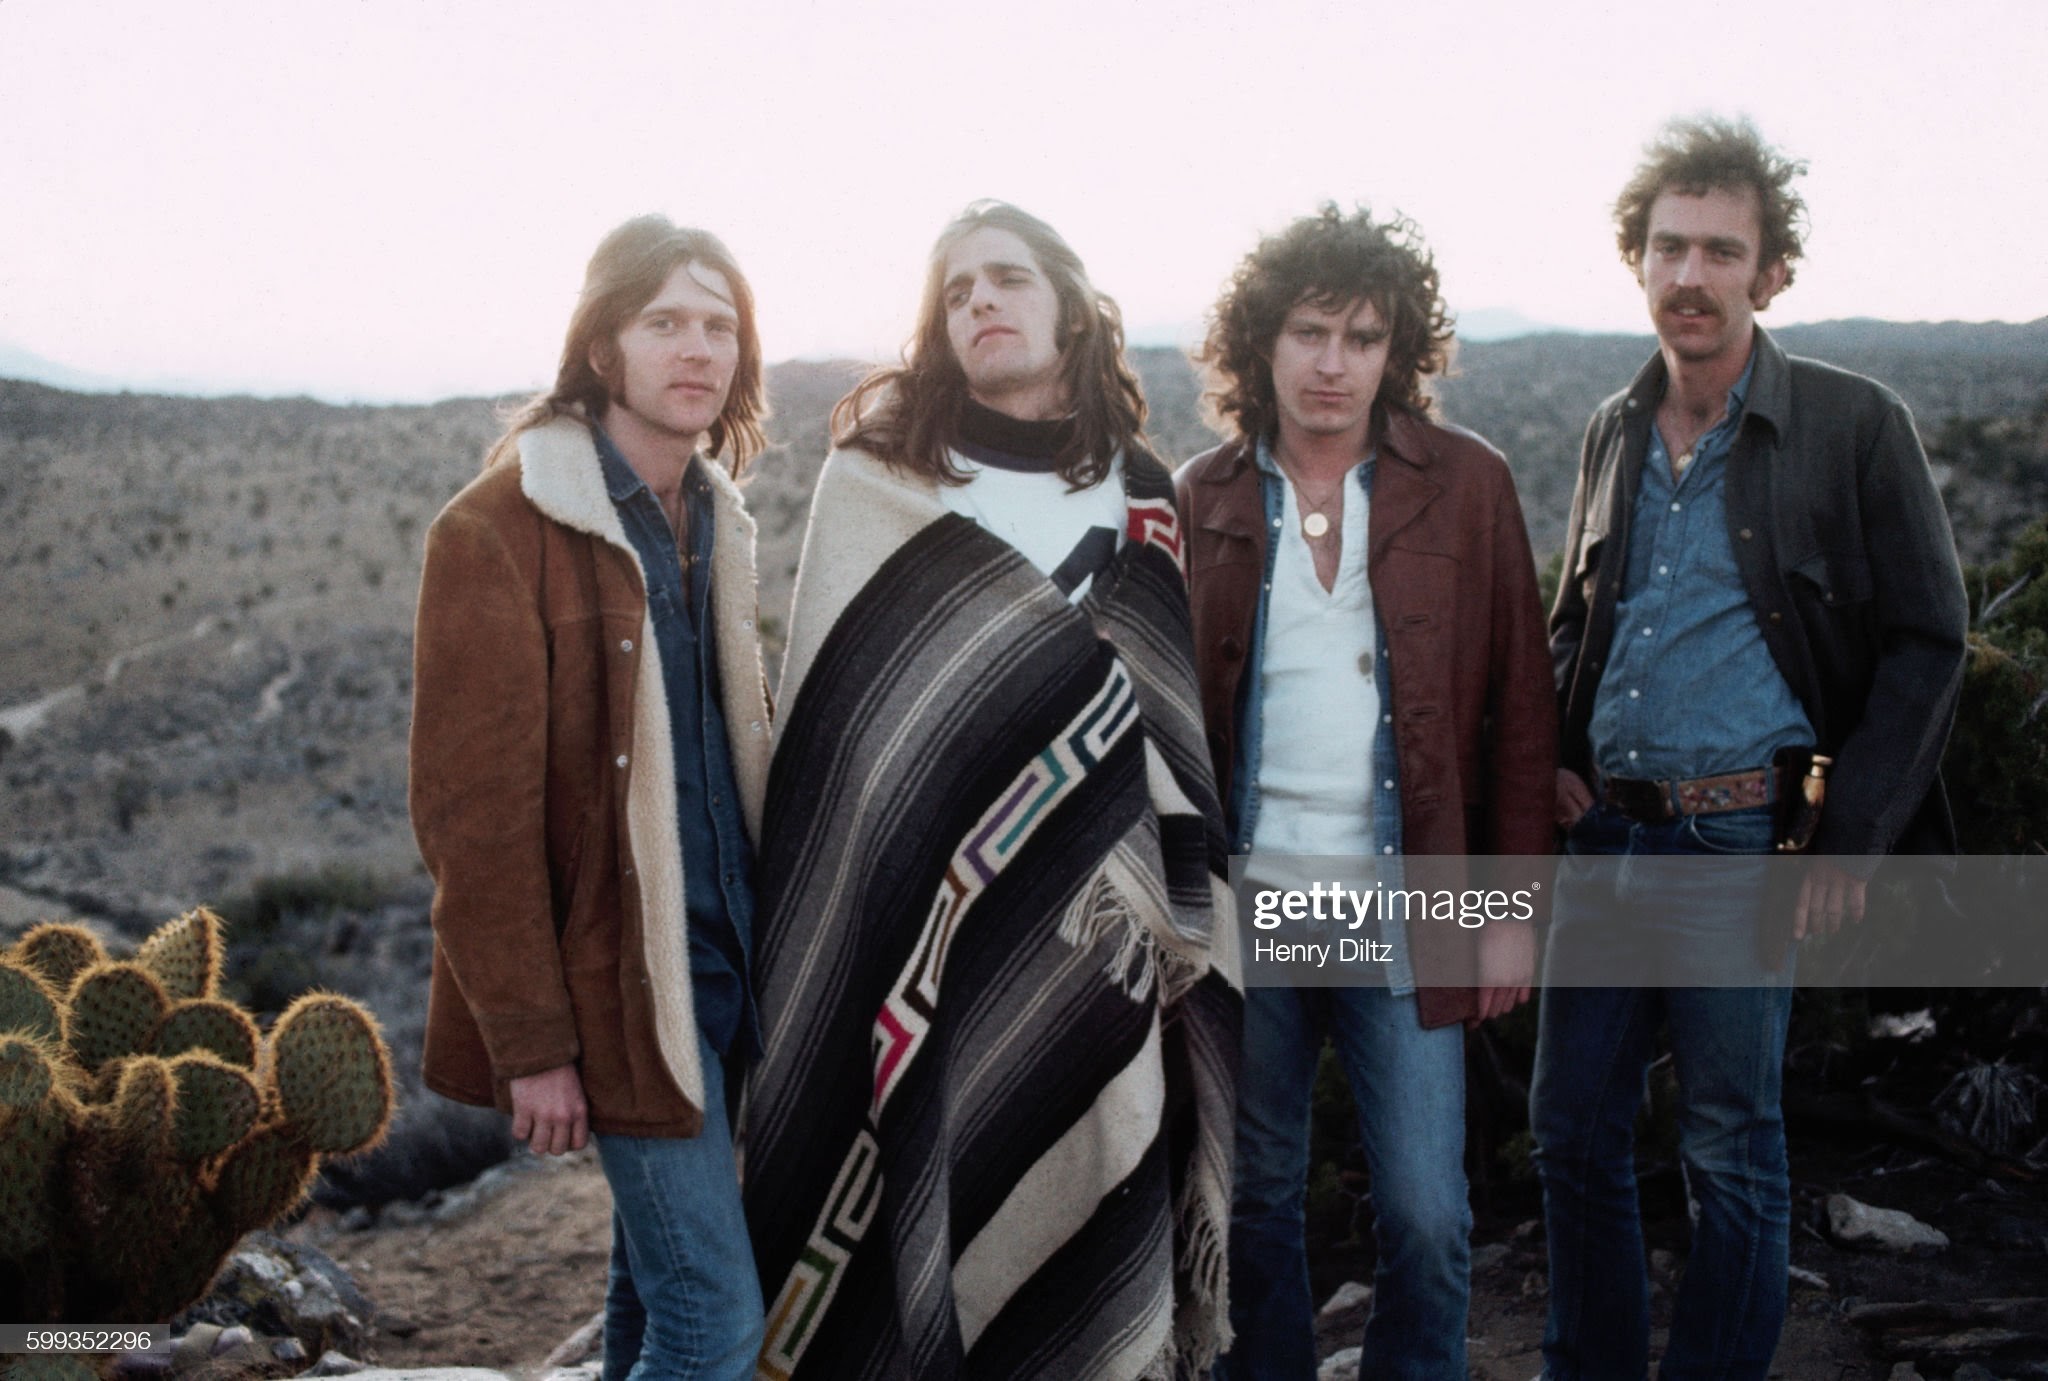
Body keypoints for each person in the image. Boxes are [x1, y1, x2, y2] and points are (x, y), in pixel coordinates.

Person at [740, 200, 1239, 1380]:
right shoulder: (879, 487)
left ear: (1069, 308)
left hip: (1096, 941)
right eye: (955, 292)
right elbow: (841, 752)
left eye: (1005, 279)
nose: (979, 303)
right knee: (934, 1200)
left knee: (1094, 1194)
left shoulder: (1141, 496)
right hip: (929, 942)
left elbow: (1168, 732)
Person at [1533, 117, 1968, 1380]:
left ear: (1768, 273)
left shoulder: (1850, 423)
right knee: (1569, 1134)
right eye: (1667, 246)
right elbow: (1579, 624)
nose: (1690, 274)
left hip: (1737, 840)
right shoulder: (1611, 429)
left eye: (1720, 251)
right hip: (1605, 835)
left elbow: (1927, 640)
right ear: (1636, 260)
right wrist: (1550, 757)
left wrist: (1847, 838)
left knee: (1727, 1147)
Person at [1178, 204, 1556, 1380]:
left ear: (1396, 350)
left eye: (1361, 335)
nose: (1332, 363)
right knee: (1253, 1201)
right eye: (1308, 332)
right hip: (1252, 903)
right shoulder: (1200, 495)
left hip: (1405, 895)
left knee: (1427, 1215)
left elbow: (1519, 707)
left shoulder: (1467, 483)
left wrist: (1508, 911)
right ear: (1261, 341)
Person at [410, 215, 774, 1381]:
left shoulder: (713, 517)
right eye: (664, 320)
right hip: (614, 988)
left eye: (718, 324)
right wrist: (532, 1046)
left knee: (649, 1293)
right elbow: (472, 823)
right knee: (715, 1326)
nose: (696, 348)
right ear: (602, 345)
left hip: (721, 966)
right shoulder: (499, 530)